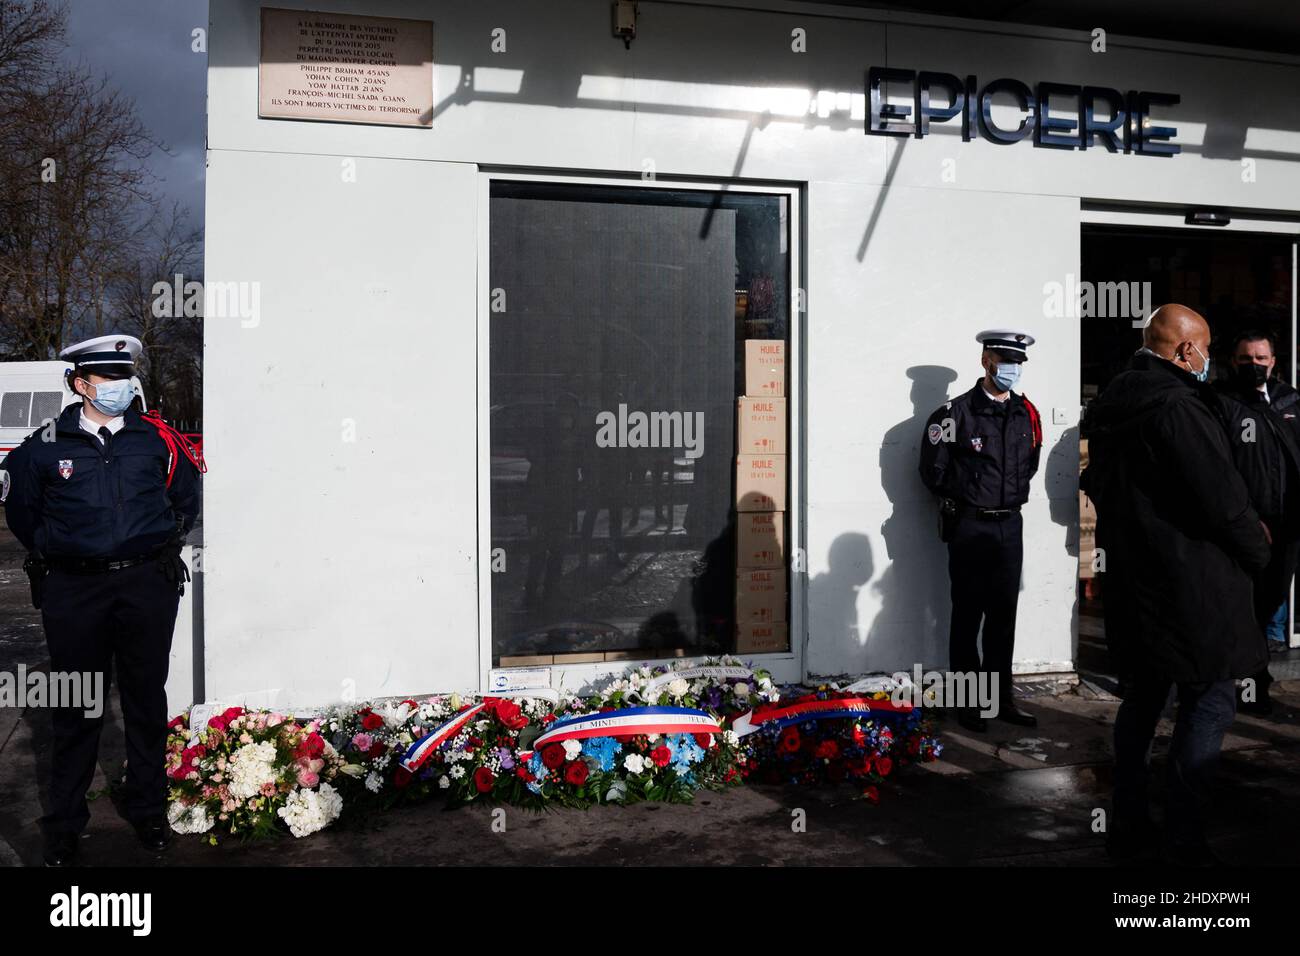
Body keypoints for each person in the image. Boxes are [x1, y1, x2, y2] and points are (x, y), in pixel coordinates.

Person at [1, 334, 203, 866]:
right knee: (76, 704)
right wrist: (64, 552)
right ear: (80, 383)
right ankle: (65, 825)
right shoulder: (43, 445)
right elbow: (23, 513)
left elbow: (184, 500)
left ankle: (150, 809)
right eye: (109, 379)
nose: (121, 386)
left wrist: (155, 545)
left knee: (144, 699)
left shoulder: (155, 439)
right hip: (75, 590)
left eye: (124, 377)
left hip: (145, 585)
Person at [1081, 304, 1270, 867]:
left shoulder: (1115, 404)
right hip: (1195, 591)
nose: (1210, 359)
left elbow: (1101, 484)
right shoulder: (1178, 408)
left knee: (1142, 698)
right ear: (1187, 352)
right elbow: (1222, 499)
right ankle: (1185, 839)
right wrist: (1258, 551)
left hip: (1139, 588)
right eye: (1206, 348)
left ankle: (1130, 821)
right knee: (1209, 701)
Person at [919, 329, 1043, 733]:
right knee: (968, 613)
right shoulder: (954, 414)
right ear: (986, 361)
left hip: (1010, 523)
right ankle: (969, 701)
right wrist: (965, 496)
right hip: (971, 524)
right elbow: (931, 470)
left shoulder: (1028, 413)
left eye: (1018, 363)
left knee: (1004, 615)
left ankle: (1001, 698)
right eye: (1005, 361)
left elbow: (1031, 463)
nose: (1012, 369)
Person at [1214, 329, 1300, 714]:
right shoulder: (1221, 403)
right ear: (1234, 362)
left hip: (1288, 527)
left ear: (1273, 361)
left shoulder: (1290, 400)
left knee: (1267, 609)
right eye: (1246, 359)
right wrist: (1247, 519)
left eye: (1261, 359)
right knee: (1243, 613)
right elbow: (1219, 471)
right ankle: (1243, 692)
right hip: (1247, 529)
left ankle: (1251, 689)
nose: (1254, 365)